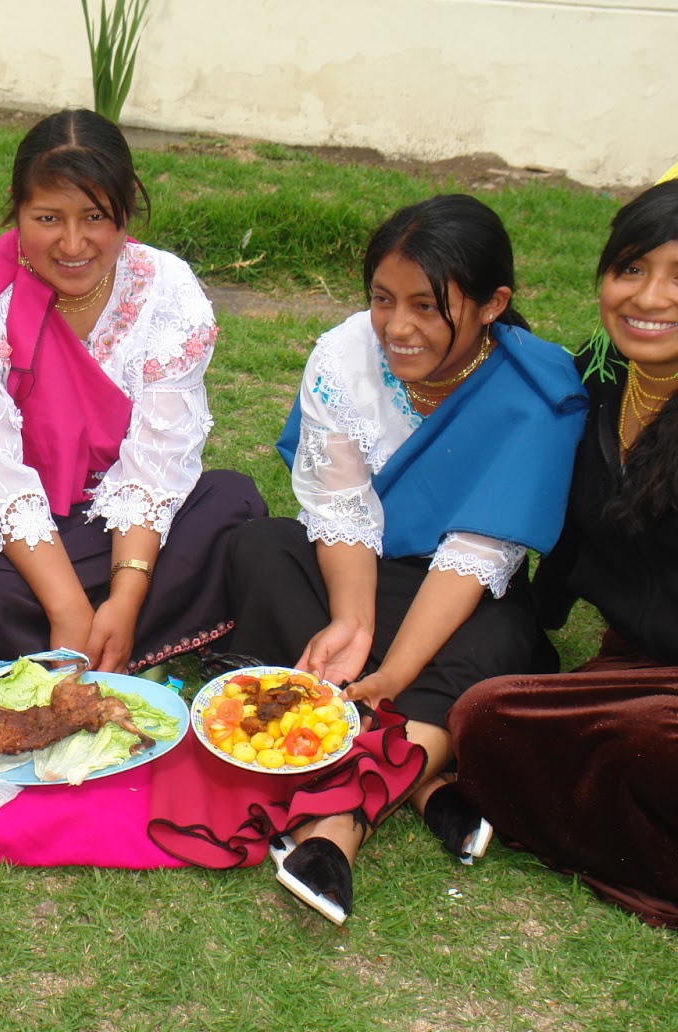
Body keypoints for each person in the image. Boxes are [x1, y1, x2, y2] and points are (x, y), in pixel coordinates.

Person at [221, 194, 587, 923]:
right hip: (357, 573)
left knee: (506, 640)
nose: (397, 326)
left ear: (492, 304)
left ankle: (339, 825)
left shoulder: (537, 391)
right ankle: (421, 779)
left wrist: (395, 671)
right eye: (383, 299)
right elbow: (343, 508)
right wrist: (353, 626)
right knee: (261, 548)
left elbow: (476, 552)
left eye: (427, 305)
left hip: (458, 597)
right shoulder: (345, 354)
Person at [0, 108, 266, 675]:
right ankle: (102, 636)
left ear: (125, 212)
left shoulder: (164, 288)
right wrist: (68, 605)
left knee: (232, 503)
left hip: (110, 520)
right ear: (17, 210)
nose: (72, 243)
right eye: (48, 217)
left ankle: (100, 633)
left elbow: (155, 459)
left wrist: (126, 594)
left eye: (95, 217)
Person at [448, 178, 678, 929]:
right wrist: (534, 625)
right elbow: (569, 524)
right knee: (484, 718)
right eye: (633, 269)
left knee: (645, 740)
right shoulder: (593, 380)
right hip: (637, 664)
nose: (651, 297)